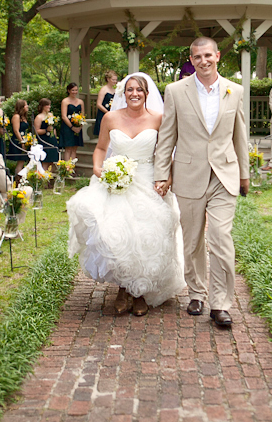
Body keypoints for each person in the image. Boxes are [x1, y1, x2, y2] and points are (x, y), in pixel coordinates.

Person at [68, 73, 185, 317]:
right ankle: (123, 287)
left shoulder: (158, 118)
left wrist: (168, 179)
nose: (134, 94)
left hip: (148, 181)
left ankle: (139, 292)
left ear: (147, 94)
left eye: (139, 90)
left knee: (146, 236)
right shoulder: (110, 118)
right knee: (116, 235)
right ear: (123, 93)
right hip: (115, 183)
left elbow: (167, 153)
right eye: (130, 89)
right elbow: (101, 148)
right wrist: (99, 169)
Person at [154, 37, 249, 328]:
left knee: (221, 237)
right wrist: (161, 173)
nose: (203, 61)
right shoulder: (175, 91)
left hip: (224, 175)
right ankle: (196, 292)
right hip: (188, 174)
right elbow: (167, 135)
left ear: (217, 56)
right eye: (197, 57)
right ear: (191, 60)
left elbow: (240, 135)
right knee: (193, 238)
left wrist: (245, 174)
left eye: (208, 55)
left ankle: (221, 304)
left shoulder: (235, 91)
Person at [59, 83, 85, 162]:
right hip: (68, 127)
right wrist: (72, 127)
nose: (74, 92)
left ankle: (73, 168)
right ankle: (67, 168)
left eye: (76, 90)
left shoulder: (80, 101)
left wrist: (80, 126)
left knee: (74, 148)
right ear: (69, 90)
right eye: (73, 90)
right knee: (68, 148)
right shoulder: (65, 101)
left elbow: (83, 115)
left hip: (78, 127)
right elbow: (64, 116)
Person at [34, 98, 60, 170]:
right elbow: (36, 131)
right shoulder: (39, 117)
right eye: (47, 105)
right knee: (45, 160)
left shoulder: (51, 115)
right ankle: (43, 177)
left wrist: (55, 137)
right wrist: (46, 130)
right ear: (42, 106)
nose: (49, 107)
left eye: (49, 105)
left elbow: (53, 127)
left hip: (51, 140)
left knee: (51, 161)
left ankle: (49, 176)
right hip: (44, 140)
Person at [7, 99, 30, 178]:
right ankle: (18, 178)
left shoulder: (23, 116)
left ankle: (22, 177)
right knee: (20, 160)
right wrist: (22, 142)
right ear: (22, 107)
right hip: (18, 140)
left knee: (22, 160)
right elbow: (16, 131)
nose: (27, 106)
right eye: (26, 105)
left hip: (25, 139)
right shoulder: (16, 116)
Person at [93, 71, 117, 138]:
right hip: (103, 115)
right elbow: (99, 104)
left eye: (115, 80)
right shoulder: (103, 89)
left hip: (112, 115)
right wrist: (108, 112)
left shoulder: (115, 90)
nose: (115, 81)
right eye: (113, 79)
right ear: (108, 79)